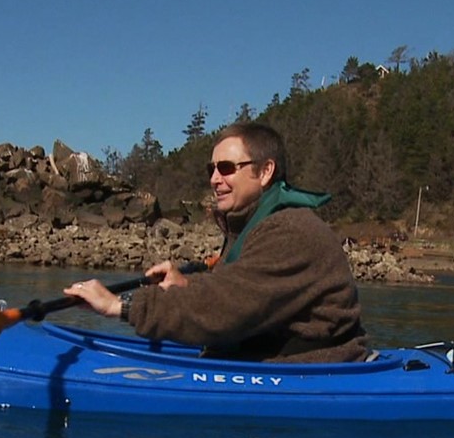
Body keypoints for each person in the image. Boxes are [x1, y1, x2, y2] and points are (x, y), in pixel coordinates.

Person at [64, 121, 368, 363]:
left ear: (265, 171)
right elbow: (235, 287)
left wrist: (121, 306)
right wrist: (186, 287)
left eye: (226, 168)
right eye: (212, 169)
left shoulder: (291, 231)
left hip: (314, 370)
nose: (214, 179)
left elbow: (227, 308)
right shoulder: (253, 223)